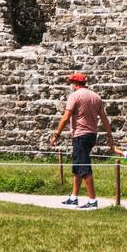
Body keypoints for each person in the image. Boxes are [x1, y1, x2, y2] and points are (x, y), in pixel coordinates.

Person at [49, 71, 116, 209]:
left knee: (84, 166)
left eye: (71, 83)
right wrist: (109, 135)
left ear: (75, 84)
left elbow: (66, 117)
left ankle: (92, 201)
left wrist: (57, 134)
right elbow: (104, 118)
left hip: (80, 135)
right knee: (78, 165)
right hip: (92, 135)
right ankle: (74, 197)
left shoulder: (75, 96)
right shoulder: (96, 97)